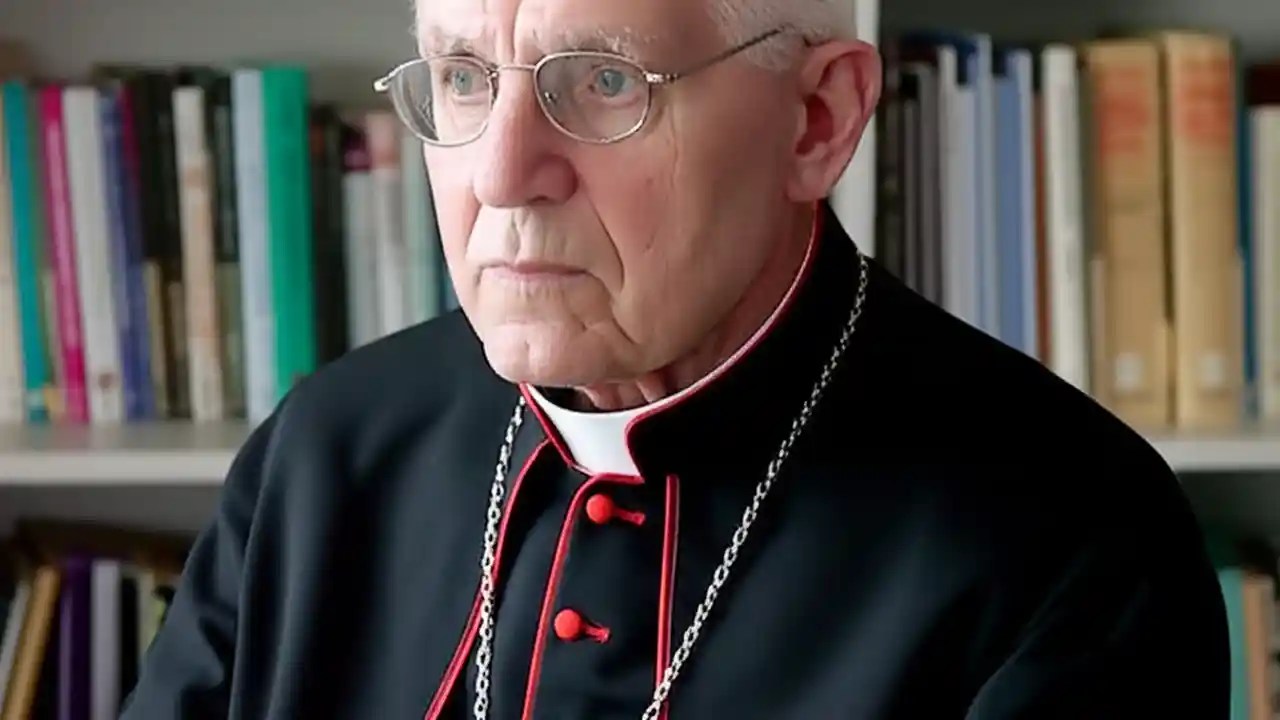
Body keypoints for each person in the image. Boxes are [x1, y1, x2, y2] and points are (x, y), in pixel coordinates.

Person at [120, 0, 1229, 717]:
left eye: (603, 82)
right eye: (462, 79)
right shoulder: (324, 453)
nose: (502, 174)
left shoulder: (1074, 542)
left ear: (815, 121)